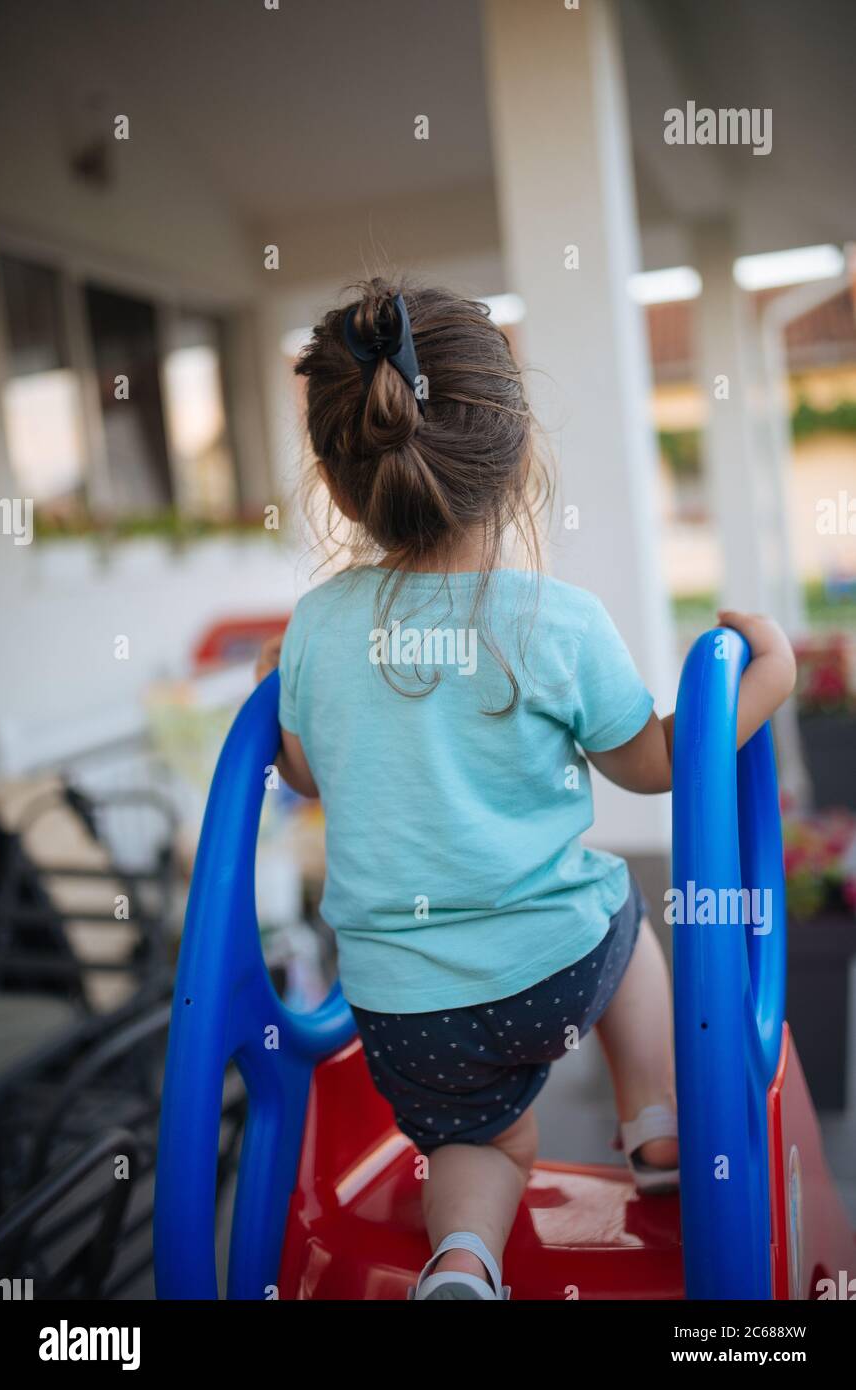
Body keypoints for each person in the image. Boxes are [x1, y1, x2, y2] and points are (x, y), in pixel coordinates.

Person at [256, 277, 796, 1300]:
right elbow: (656, 764)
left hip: (403, 1011)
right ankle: (657, 1123)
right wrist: (761, 678)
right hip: (554, 968)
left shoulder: (314, 633)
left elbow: (307, 770)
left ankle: (463, 1260)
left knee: (487, 1143)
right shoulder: (561, 620)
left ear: (335, 484)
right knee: (623, 909)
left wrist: (273, 694)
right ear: (517, 456)